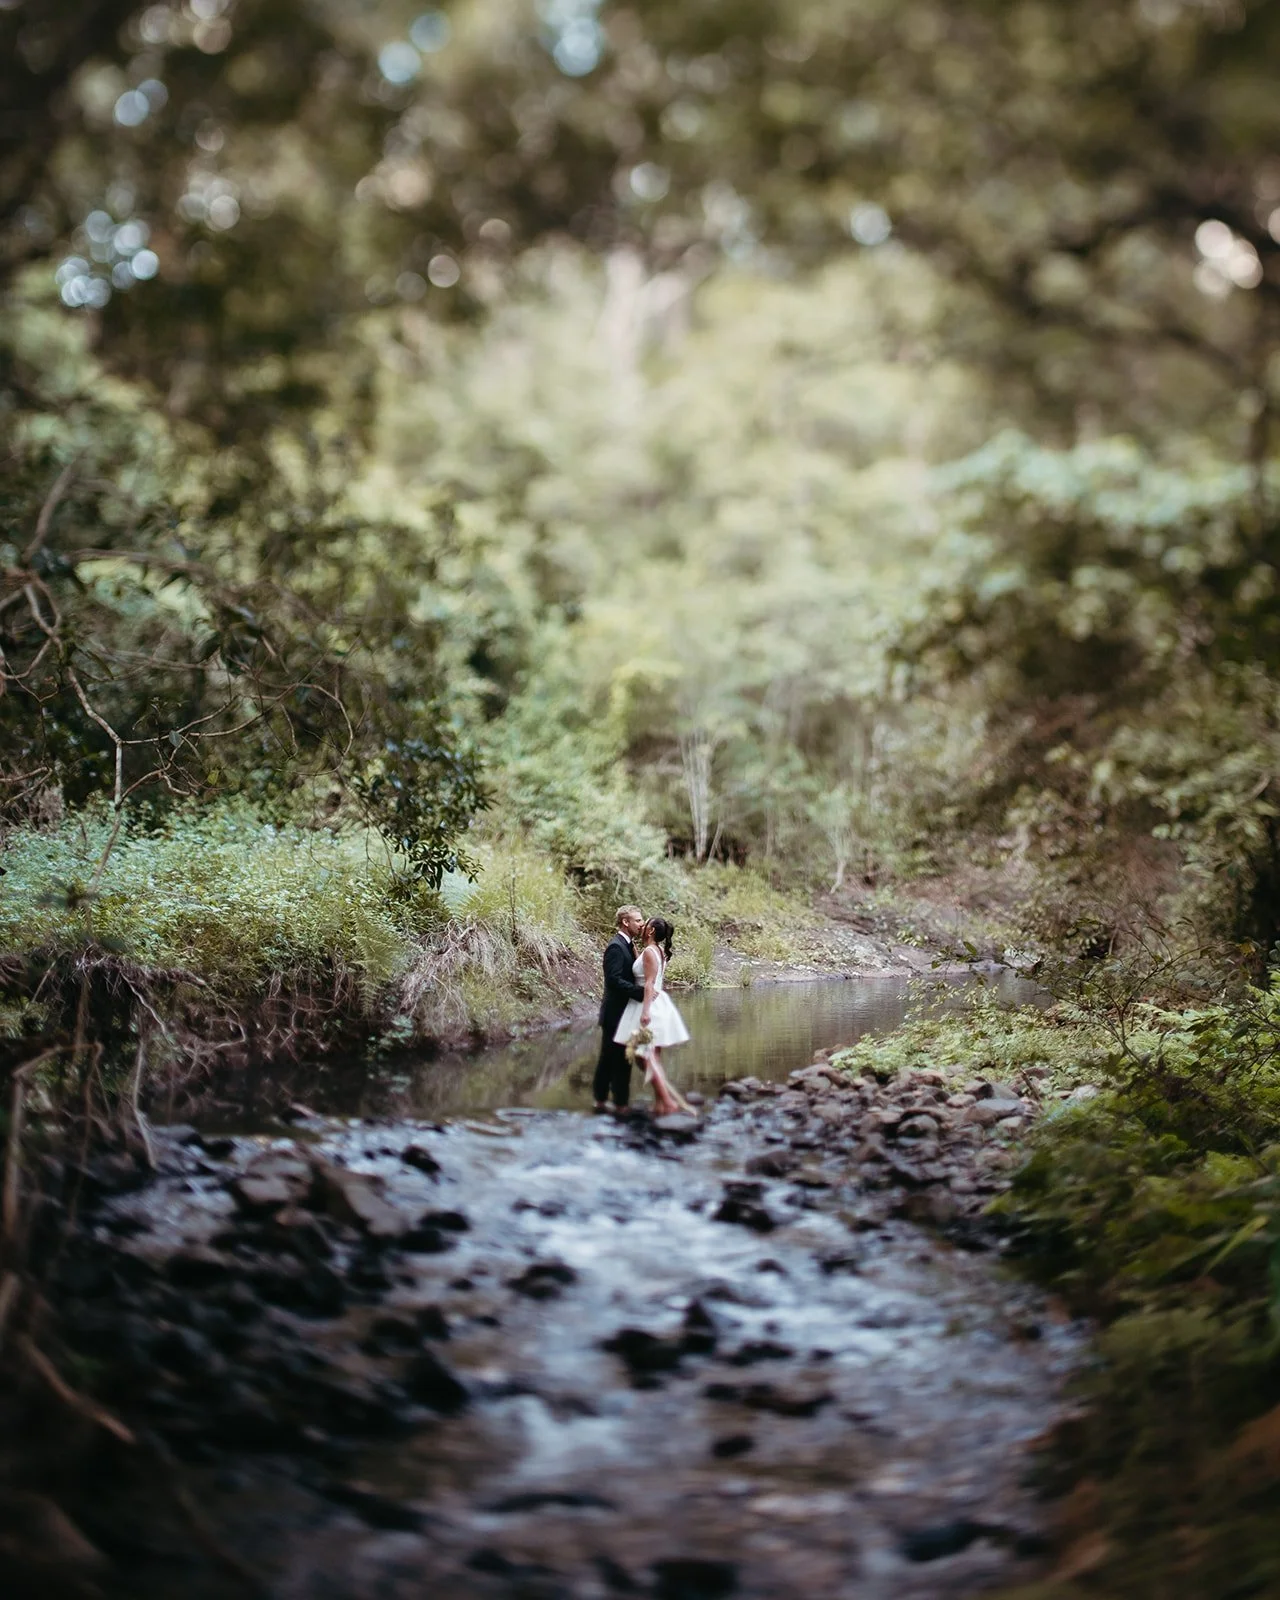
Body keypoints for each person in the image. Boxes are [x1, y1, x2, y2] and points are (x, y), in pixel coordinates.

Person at [613, 916, 692, 1117]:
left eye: (644, 924)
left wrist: (646, 1012)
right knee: (651, 1056)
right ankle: (660, 1102)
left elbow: (648, 983)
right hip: (658, 1002)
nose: (641, 926)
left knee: (644, 1055)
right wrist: (635, 953)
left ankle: (667, 1101)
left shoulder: (650, 951)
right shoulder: (656, 951)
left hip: (648, 1004)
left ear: (650, 931)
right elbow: (647, 971)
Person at [593, 905, 647, 1111]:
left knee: (621, 1057)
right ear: (626, 922)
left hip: (625, 1012)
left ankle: (615, 1103)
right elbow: (613, 980)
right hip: (615, 1013)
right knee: (611, 1058)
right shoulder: (616, 947)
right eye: (638, 920)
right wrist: (641, 993)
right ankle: (609, 1102)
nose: (642, 924)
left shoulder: (628, 945)